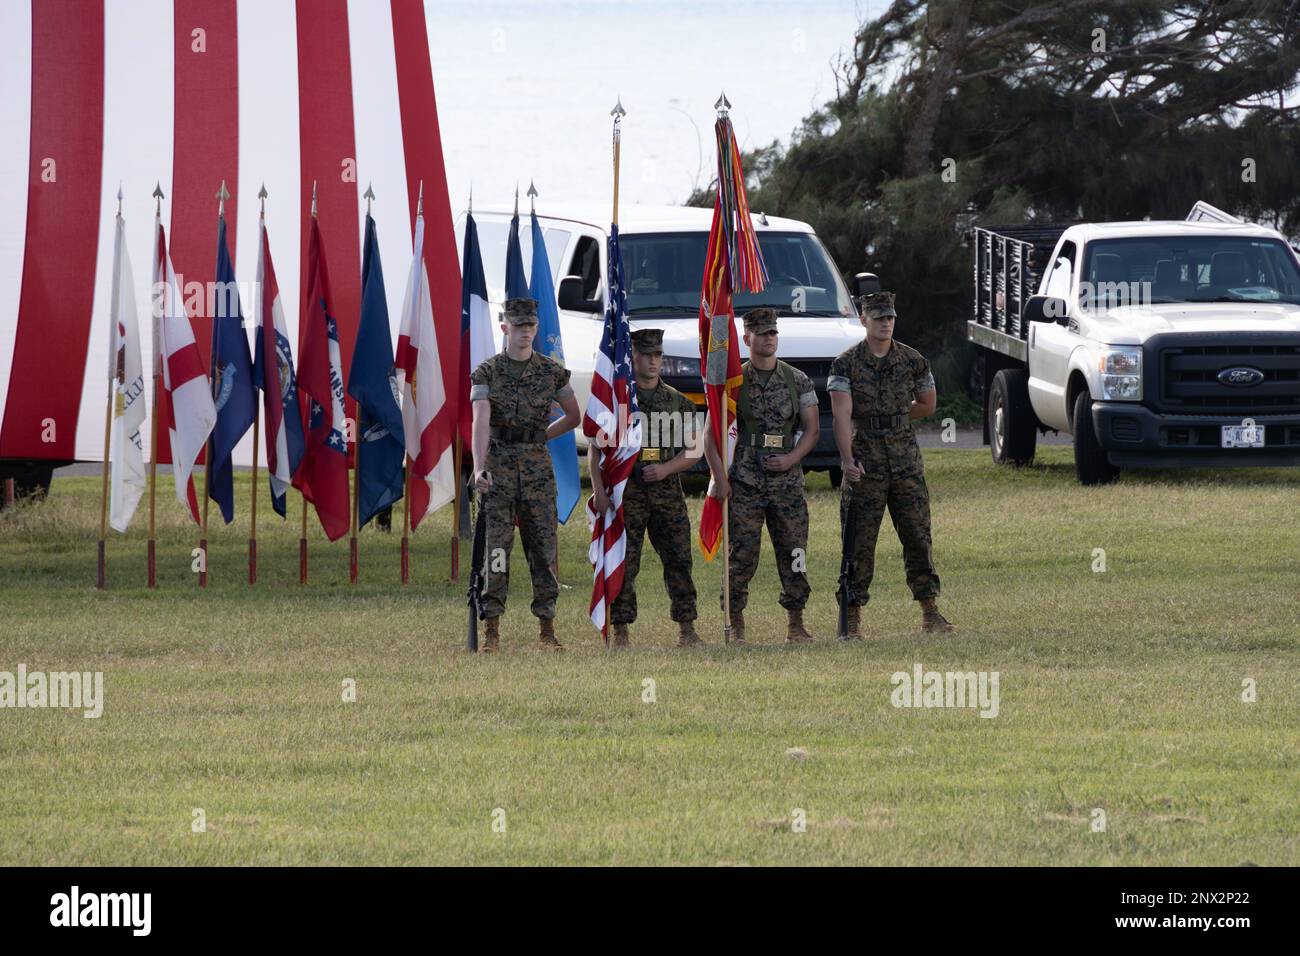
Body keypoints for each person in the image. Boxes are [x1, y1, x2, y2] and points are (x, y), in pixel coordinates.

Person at [827, 290, 953, 636]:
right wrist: (847, 459)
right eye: (878, 317)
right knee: (859, 540)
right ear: (863, 320)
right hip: (865, 461)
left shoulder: (912, 361)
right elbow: (841, 415)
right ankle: (851, 618)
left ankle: (930, 612)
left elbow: (927, 403)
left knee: (917, 535)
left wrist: (893, 417)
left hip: (905, 462)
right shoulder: (845, 364)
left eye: (890, 318)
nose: (885, 323)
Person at [469, 297, 582, 652]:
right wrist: (478, 467)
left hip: (536, 473)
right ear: (505, 328)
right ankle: (491, 631)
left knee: (542, 551)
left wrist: (540, 436)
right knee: (496, 552)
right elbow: (480, 422)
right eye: (518, 326)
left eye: (530, 326)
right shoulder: (486, 372)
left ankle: (547, 630)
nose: (525, 332)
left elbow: (574, 416)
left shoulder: (551, 372)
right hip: (499, 471)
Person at [703, 308, 820, 644]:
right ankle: (735, 623)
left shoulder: (797, 380)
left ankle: (796, 624)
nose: (770, 338)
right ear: (747, 338)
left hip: (787, 484)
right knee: (741, 555)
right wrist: (719, 479)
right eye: (763, 333)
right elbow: (710, 435)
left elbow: (811, 431)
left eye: (773, 333)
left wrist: (791, 459)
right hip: (745, 482)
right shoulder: (733, 383)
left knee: (794, 552)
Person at [591, 328, 703, 648]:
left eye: (658, 355)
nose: (654, 361)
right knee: (626, 562)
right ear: (633, 357)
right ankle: (621, 630)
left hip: (667, 494)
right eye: (646, 355)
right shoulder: (619, 403)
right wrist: (599, 492)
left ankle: (687, 628)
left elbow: (694, 450)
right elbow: (597, 450)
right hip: (629, 495)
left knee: (679, 559)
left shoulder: (679, 403)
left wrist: (666, 468)